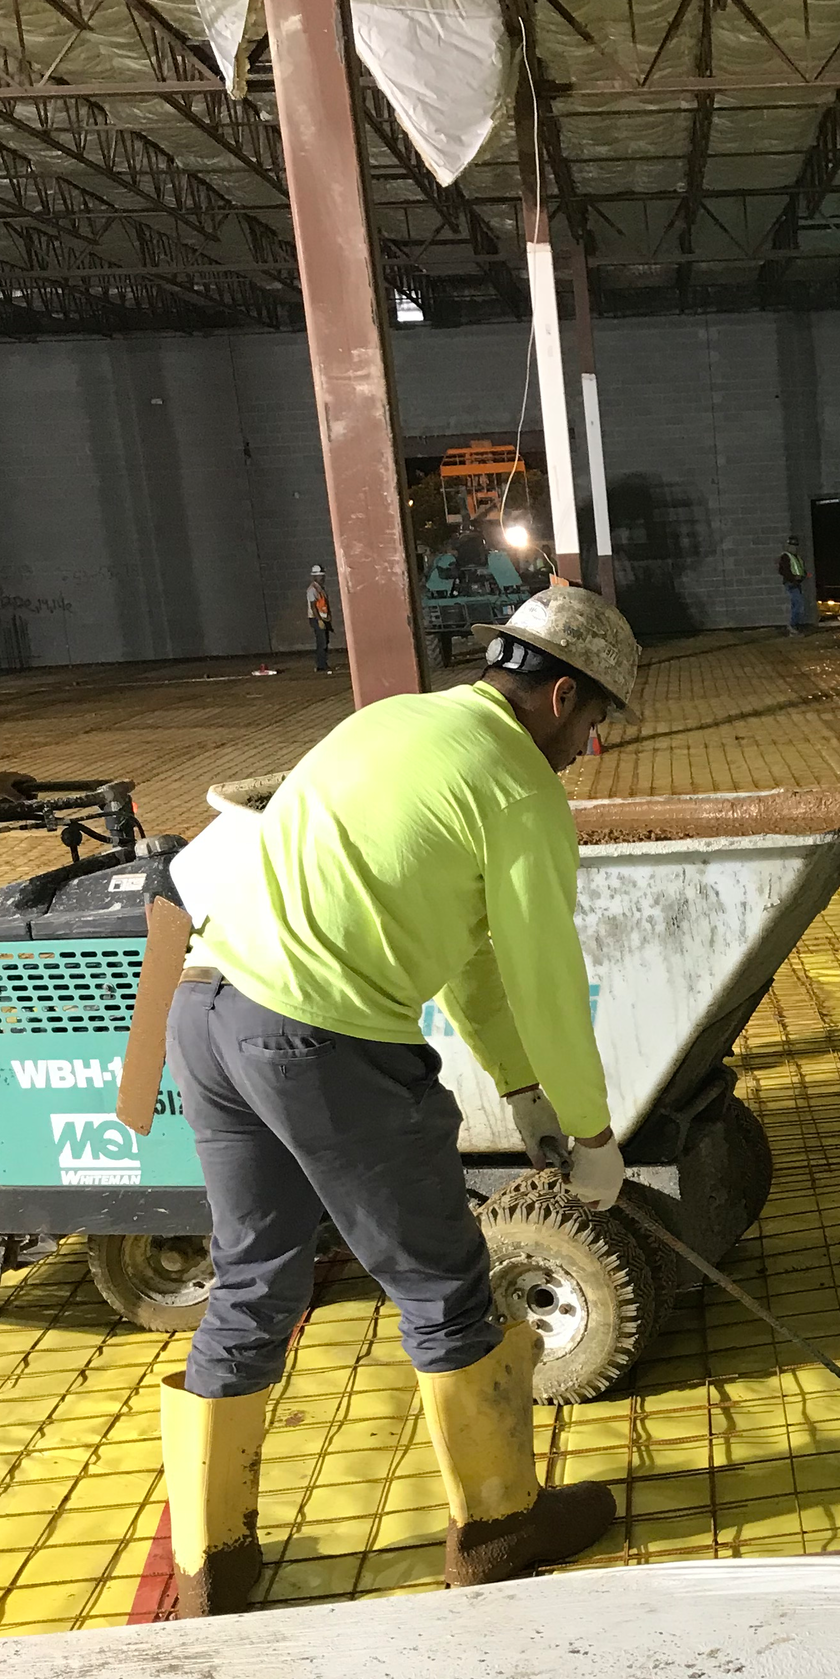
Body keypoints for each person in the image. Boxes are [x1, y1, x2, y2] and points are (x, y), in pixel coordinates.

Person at [158, 587, 640, 1617]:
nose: (584, 748)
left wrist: (521, 1090)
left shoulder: (395, 720)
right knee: (443, 1286)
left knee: (251, 1278)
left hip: (205, 1014)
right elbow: (545, 975)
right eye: (593, 724)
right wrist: (594, 1134)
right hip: (319, 1045)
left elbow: (471, 960)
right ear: (560, 695)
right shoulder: (516, 787)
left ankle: (211, 1566)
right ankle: (500, 1530)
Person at [776, 539, 808, 635]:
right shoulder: (786, 557)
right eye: (793, 546)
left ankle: (794, 626)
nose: (794, 548)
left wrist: (802, 576)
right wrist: (793, 578)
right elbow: (783, 571)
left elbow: (801, 570)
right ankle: (792, 626)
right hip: (791, 584)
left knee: (797, 605)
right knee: (798, 605)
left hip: (796, 584)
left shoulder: (797, 557)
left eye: (795, 546)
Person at [307, 564, 333, 674]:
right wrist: (319, 620)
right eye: (319, 576)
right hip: (316, 619)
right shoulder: (312, 590)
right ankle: (321, 665)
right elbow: (313, 606)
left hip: (322, 618)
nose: (322, 578)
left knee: (325, 641)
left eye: (322, 575)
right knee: (321, 642)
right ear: (314, 577)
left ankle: (323, 663)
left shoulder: (320, 589)